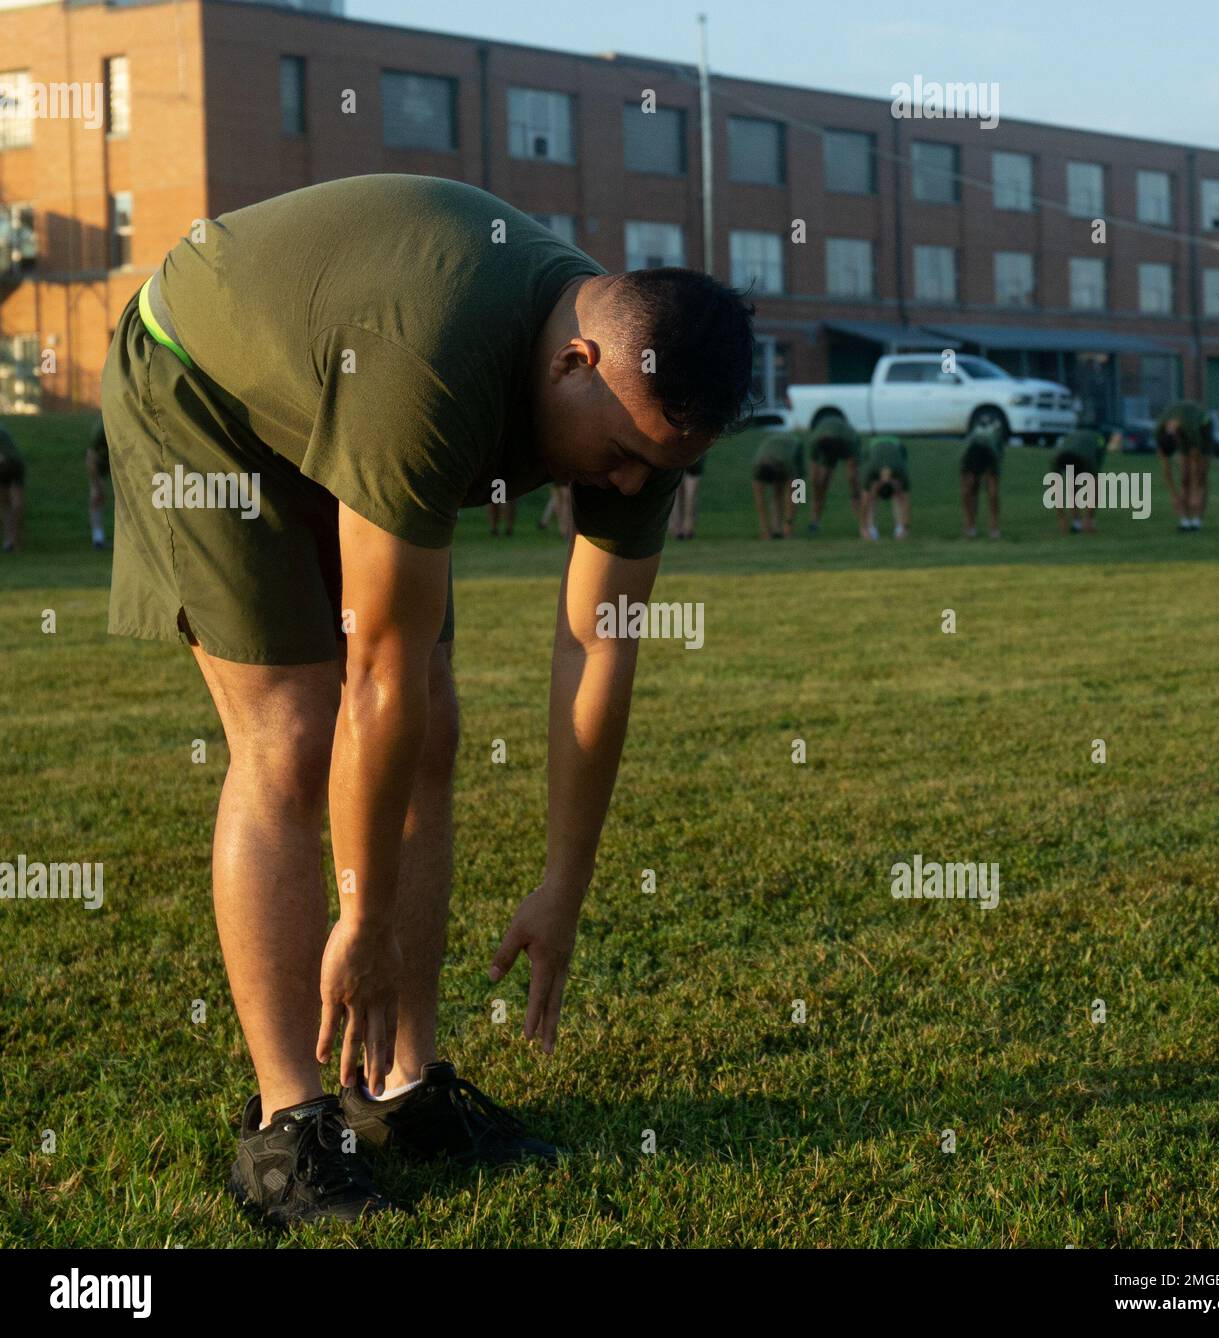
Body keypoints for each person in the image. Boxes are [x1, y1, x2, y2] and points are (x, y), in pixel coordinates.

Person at [100, 174, 755, 1226]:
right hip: (204, 391)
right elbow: (378, 674)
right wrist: (356, 914)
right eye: (625, 456)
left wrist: (562, 885)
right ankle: (288, 1128)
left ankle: (398, 1092)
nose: (630, 488)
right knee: (299, 734)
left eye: (661, 472)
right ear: (571, 363)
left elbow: (600, 649)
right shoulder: (432, 361)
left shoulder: (640, 416)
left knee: (436, 731)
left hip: (344, 388)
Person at [1153, 399, 1212, 531]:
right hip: (1181, 429)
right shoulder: (1159, 432)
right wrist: (1173, 494)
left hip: (1204, 427)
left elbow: (1196, 461)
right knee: (1184, 478)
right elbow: (1166, 467)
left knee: (1200, 475)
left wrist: (1195, 494)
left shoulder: (1191, 429)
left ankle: (1197, 521)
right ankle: (1184, 521)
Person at [807, 411, 860, 534]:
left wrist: (854, 494)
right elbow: (814, 476)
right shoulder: (815, 442)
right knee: (821, 482)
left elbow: (852, 475)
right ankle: (815, 523)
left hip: (845, 441)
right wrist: (816, 494)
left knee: (854, 481)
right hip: (827, 442)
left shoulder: (850, 440)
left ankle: (863, 524)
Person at [1047, 427, 1107, 535]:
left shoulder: (1089, 457)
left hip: (1093, 446)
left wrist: (1089, 518)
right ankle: (1077, 523)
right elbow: (1055, 489)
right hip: (1072, 449)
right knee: (1073, 485)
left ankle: (1086, 522)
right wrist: (1061, 516)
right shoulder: (1055, 460)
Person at [751, 429, 803, 539]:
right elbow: (759, 500)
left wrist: (789, 523)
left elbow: (796, 492)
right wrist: (764, 528)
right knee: (777, 491)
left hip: (794, 444)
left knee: (797, 491)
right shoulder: (757, 468)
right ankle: (776, 529)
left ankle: (788, 527)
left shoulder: (788, 463)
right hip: (771, 447)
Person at [958, 419, 1005, 539]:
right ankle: (970, 526)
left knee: (992, 493)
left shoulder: (994, 444)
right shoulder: (970, 447)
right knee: (969, 490)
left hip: (990, 454)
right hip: (973, 453)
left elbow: (997, 459)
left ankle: (994, 528)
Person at [858, 434, 911, 540]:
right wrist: (906, 528)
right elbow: (905, 501)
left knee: (871, 497)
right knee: (896, 496)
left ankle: (873, 528)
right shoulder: (870, 471)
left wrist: (863, 528)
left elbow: (864, 502)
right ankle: (898, 528)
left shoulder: (900, 471)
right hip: (872, 446)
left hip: (897, 446)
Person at [0, 423, 25, 553]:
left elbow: (2, 458)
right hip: (17, 464)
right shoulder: (3, 431)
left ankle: (9, 540)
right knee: (15, 505)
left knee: (6, 505)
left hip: (5, 465)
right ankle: (15, 541)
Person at [87, 414, 111, 549]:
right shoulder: (101, 428)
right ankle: (98, 538)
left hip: (123, 458)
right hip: (102, 462)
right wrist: (97, 485)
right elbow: (91, 457)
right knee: (96, 496)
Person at [669, 455, 703, 539]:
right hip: (696, 451)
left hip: (677, 450)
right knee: (691, 491)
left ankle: (676, 526)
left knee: (677, 486)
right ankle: (688, 525)